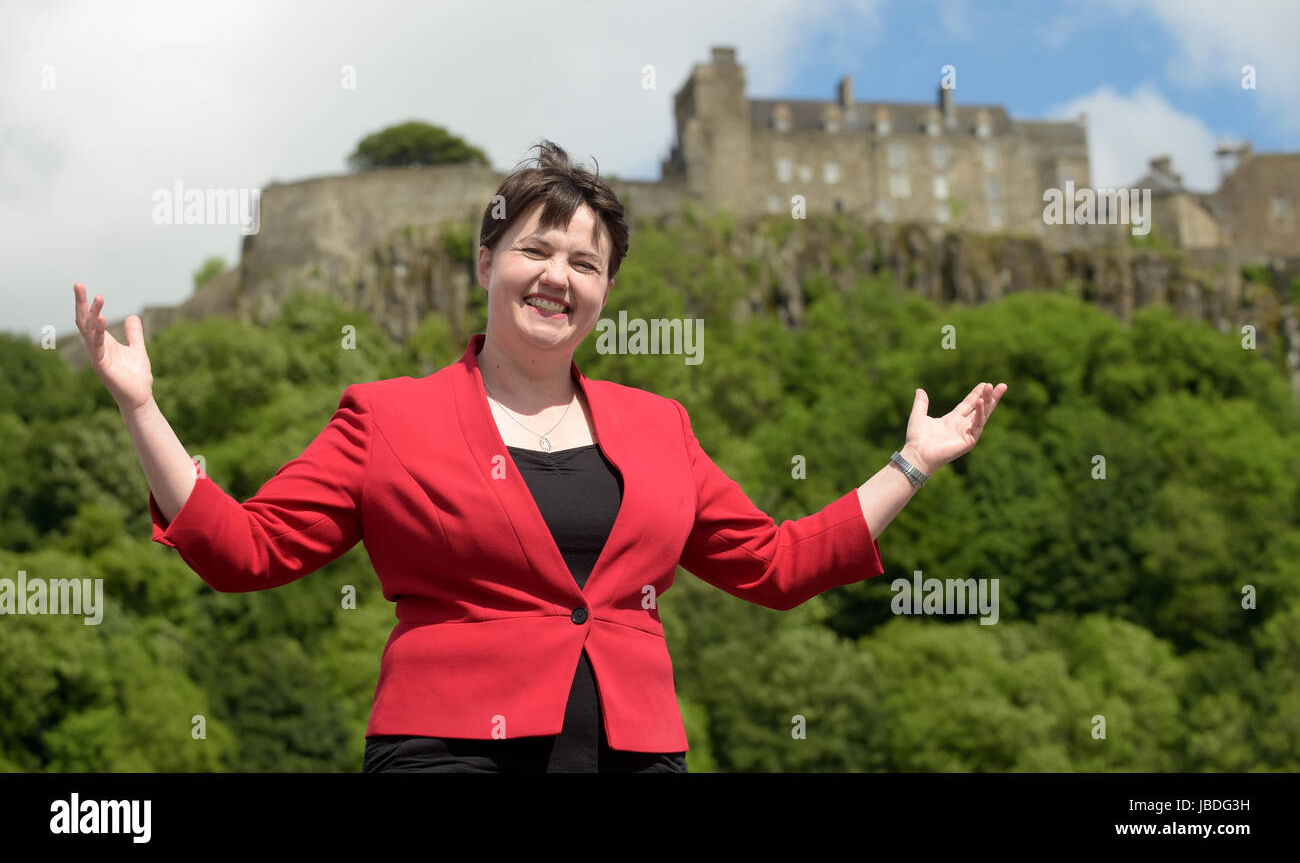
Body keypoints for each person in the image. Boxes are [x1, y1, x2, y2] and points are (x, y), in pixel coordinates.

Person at [72, 140, 1007, 773]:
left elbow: (777, 564)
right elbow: (247, 550)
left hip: (634, 753)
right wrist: (143, 407)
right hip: (447, 751)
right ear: (487, 265)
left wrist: (911, 463)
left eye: (586, 262)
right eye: (535, 248)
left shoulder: (660, 426)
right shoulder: (386, 417)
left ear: (604, 291)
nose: (558, 276)